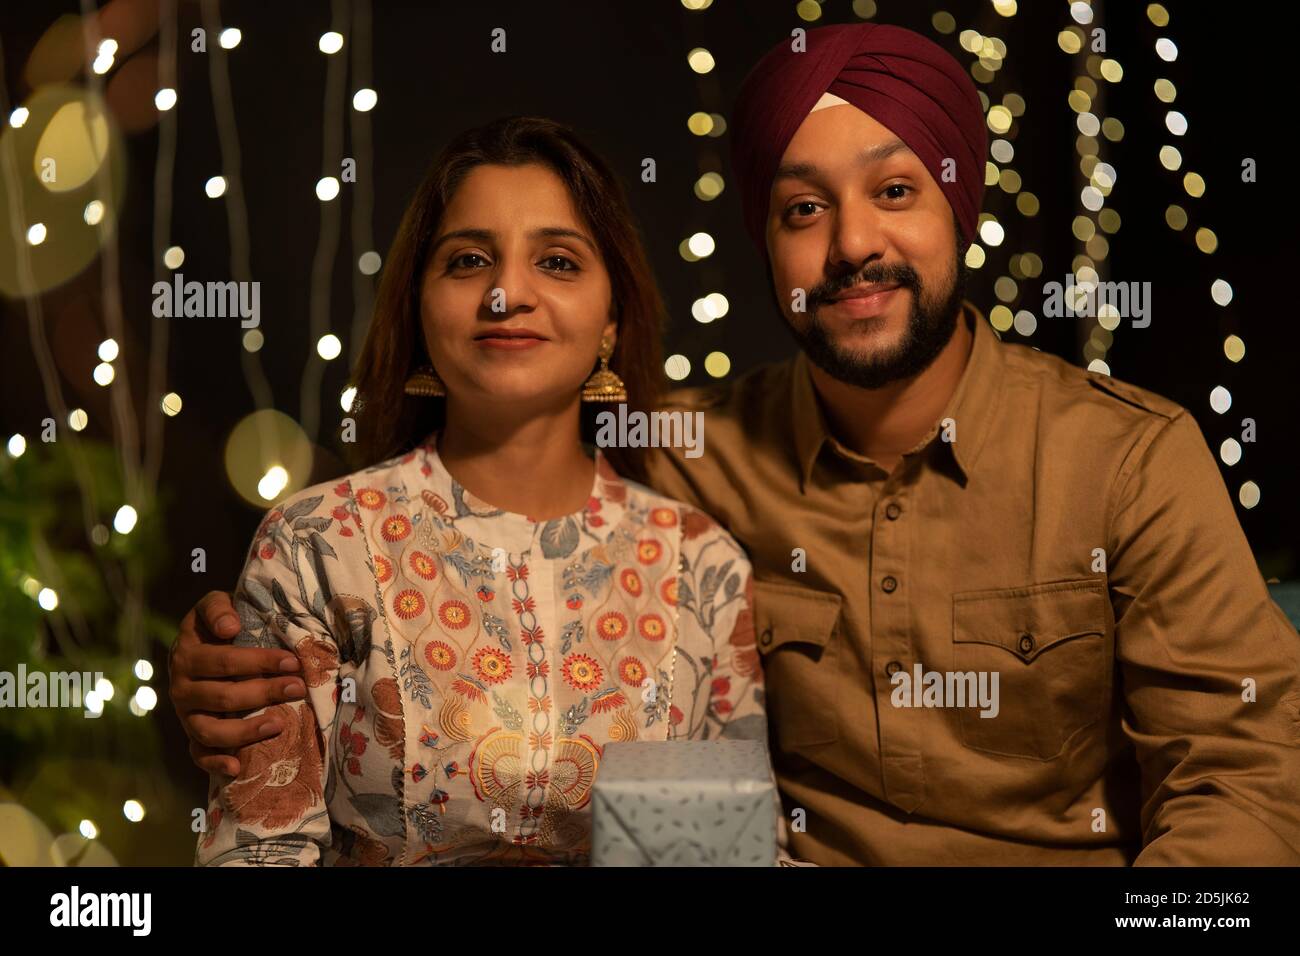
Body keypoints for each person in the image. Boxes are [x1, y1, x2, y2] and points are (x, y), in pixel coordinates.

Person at [175, 22, 1300, 867]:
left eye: (895, 192)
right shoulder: (684, 473)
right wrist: (228, 666)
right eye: (802, 209)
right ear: (764, 235)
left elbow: (1242, 771)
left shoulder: (1128, 461)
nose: (853, 243)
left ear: (960, 210)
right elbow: (510, 475)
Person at [183, 116, 780, 865]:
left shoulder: (699, 566)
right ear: (420, 305)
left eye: (558, 262)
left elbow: (718, 858)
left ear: (610, 321)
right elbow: (257, 851)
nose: (506, 294)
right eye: (469, 261)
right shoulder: (318, 542)